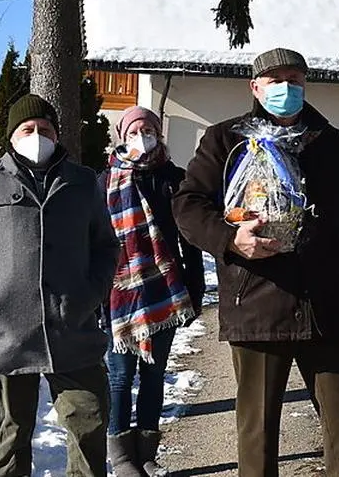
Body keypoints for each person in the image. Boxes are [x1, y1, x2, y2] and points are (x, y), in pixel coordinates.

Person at [172, 48, 339, 477]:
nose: (286, 88)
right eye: (275, 80)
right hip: (257, 304)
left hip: (324, 305)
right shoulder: (226, 139)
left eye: (294, 79)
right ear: (255, 88)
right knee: (258, 432)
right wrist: (230, 239)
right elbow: (188, 205)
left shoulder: (328, 142)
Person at [0, 94, 118, 477]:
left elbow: (105, 246)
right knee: (10, 439)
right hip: (5, 338)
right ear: (12, 136)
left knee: (89, 429)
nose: (37, 136)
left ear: (57, 135)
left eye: (45, 129)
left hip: (74, 333)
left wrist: (92, 293)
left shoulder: (83, 182)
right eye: (28, 129)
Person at [101, 106, 206, 477]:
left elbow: (190, 241)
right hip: (117, 297)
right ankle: (121, 458)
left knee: (153, 373)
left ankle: (146, 454)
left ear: (158, 134)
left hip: (164, 293)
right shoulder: (104, 182)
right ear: (122, 135)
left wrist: (195, 289)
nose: (142, 137)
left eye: (148, 130)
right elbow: (92, 243)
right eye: (134, 131)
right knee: (119, 377)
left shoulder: (174, 179)